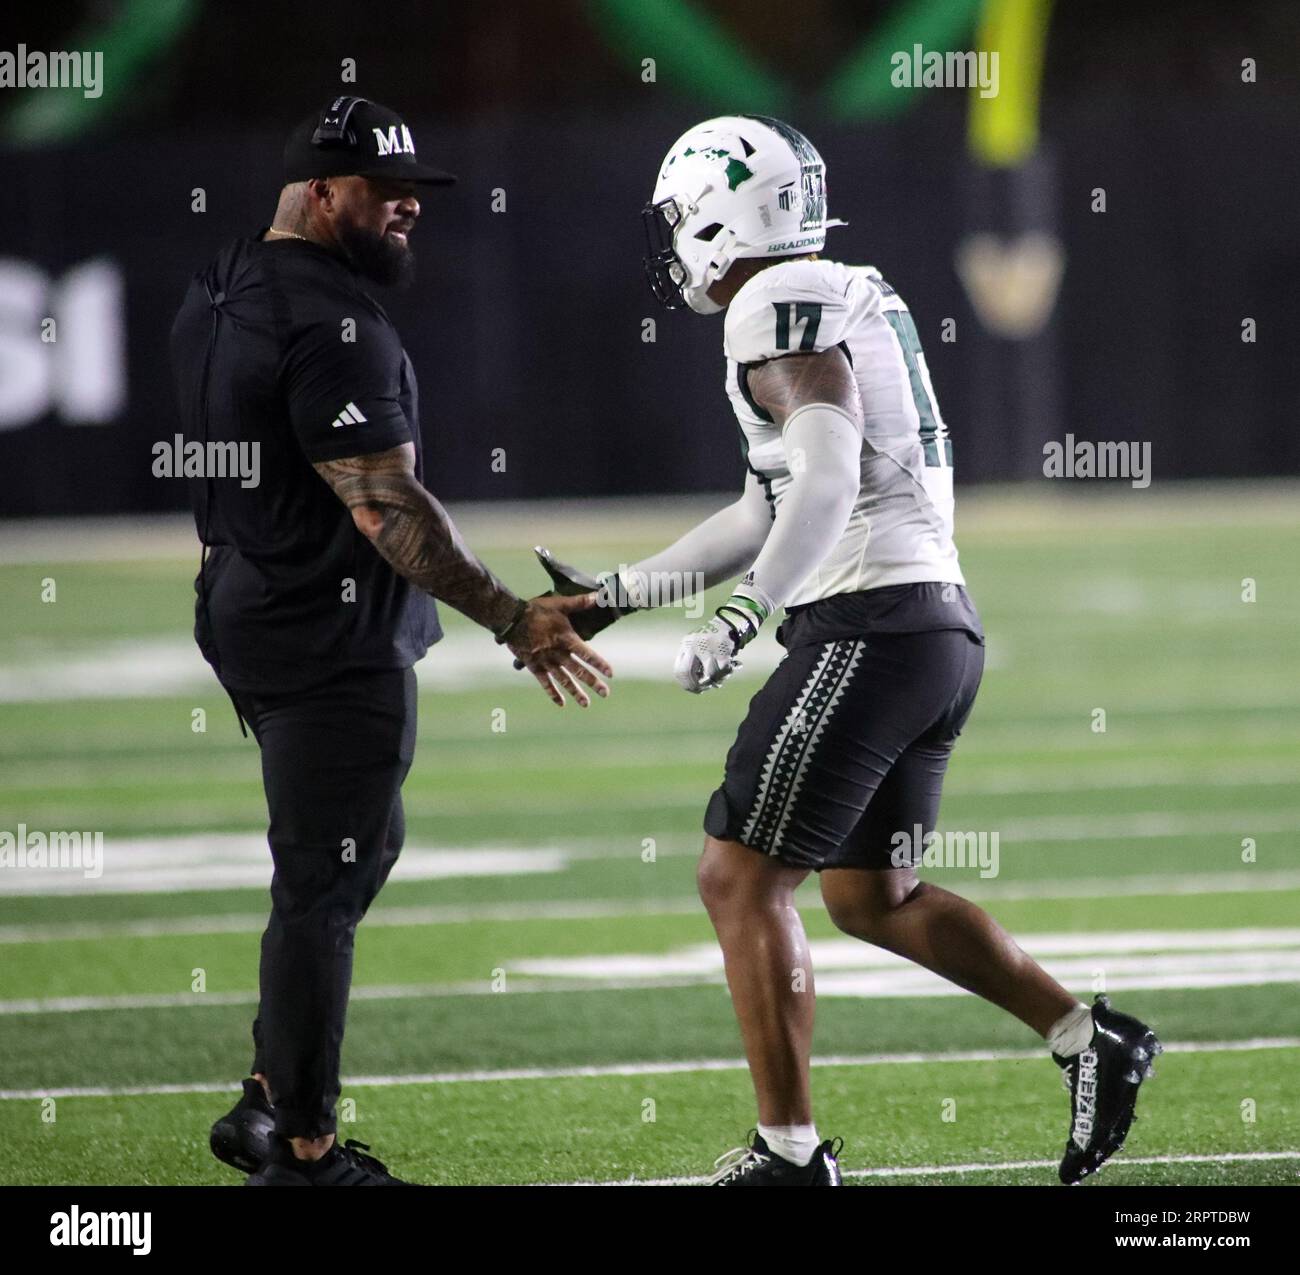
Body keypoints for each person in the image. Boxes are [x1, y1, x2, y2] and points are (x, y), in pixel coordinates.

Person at [533, 114, 1159, 1187]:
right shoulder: (836, 289)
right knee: (871, 896)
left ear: (720, 220)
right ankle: (1084, 1036)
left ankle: (788, 1153)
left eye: (681, 219)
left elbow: (823, 481)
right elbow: (762, 507)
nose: (673, 241)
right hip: (932, 628)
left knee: (738, 877)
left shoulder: (774, 303)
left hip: (869, 624)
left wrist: (745, 617)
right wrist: (616, 597)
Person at [170, 96, 611, 1186]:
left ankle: (270, 1094)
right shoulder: (334, 324)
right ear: (322, 191)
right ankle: (305, 1151)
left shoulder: (224, 278)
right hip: (323, 634)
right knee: (322, 885)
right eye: (385, 188)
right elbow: (383, 505)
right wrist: (515, 618)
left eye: (415, 189)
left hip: (246, 600)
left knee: (359, 848)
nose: (410, 206)